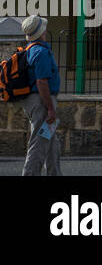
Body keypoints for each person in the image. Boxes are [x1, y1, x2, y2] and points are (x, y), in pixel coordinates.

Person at [20, 14, 61, 176]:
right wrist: (50, 109)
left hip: (36, 101)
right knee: (38, 145)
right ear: (42, 31)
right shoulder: (41, 52)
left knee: (51, 143)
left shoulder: (30, 49)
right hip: (42, 102)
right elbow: (41, 82)